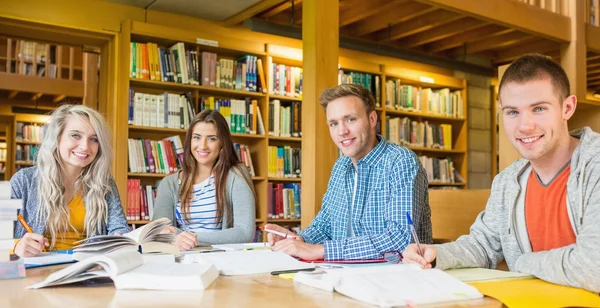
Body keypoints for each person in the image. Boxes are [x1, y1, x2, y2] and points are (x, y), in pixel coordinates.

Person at [402, 54, 600, 293]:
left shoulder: (594, 166)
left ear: (567, 108)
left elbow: (593, 267)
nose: (525, 126)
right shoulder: (508, 182)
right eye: (512, 112)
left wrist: (524, 262)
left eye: (539, 109)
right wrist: (435, 254)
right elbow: (483, 246)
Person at [266, 84, 432, 261]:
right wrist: (297, 240)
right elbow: (324, 226)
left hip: (396, 277)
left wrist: (321, 250)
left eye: (351, 119)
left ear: (372, 119)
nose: (342, 131)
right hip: (344, 273)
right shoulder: (341, 166)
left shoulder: (400, 162)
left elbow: (400, 240)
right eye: (333, 123)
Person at [12, 104, 130, 257]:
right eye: (75, 135)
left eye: (94, 139)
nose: (85, 146)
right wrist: (16, 246)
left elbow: (119, 227)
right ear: (57, 137)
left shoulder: (104, 182)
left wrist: (119, 237)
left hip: (87, 268)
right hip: (36, 271)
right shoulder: (23, 180)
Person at [153, 110, 256, 251]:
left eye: (212, 139)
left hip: (223, 258)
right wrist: (173, 237)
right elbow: (159, 232)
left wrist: (190, 237)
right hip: (181, 259)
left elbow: (244, 232)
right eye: (197, 137)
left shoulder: (236, 175)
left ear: (222, 143)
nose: (202, 146)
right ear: (189, 140)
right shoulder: (169, 184)